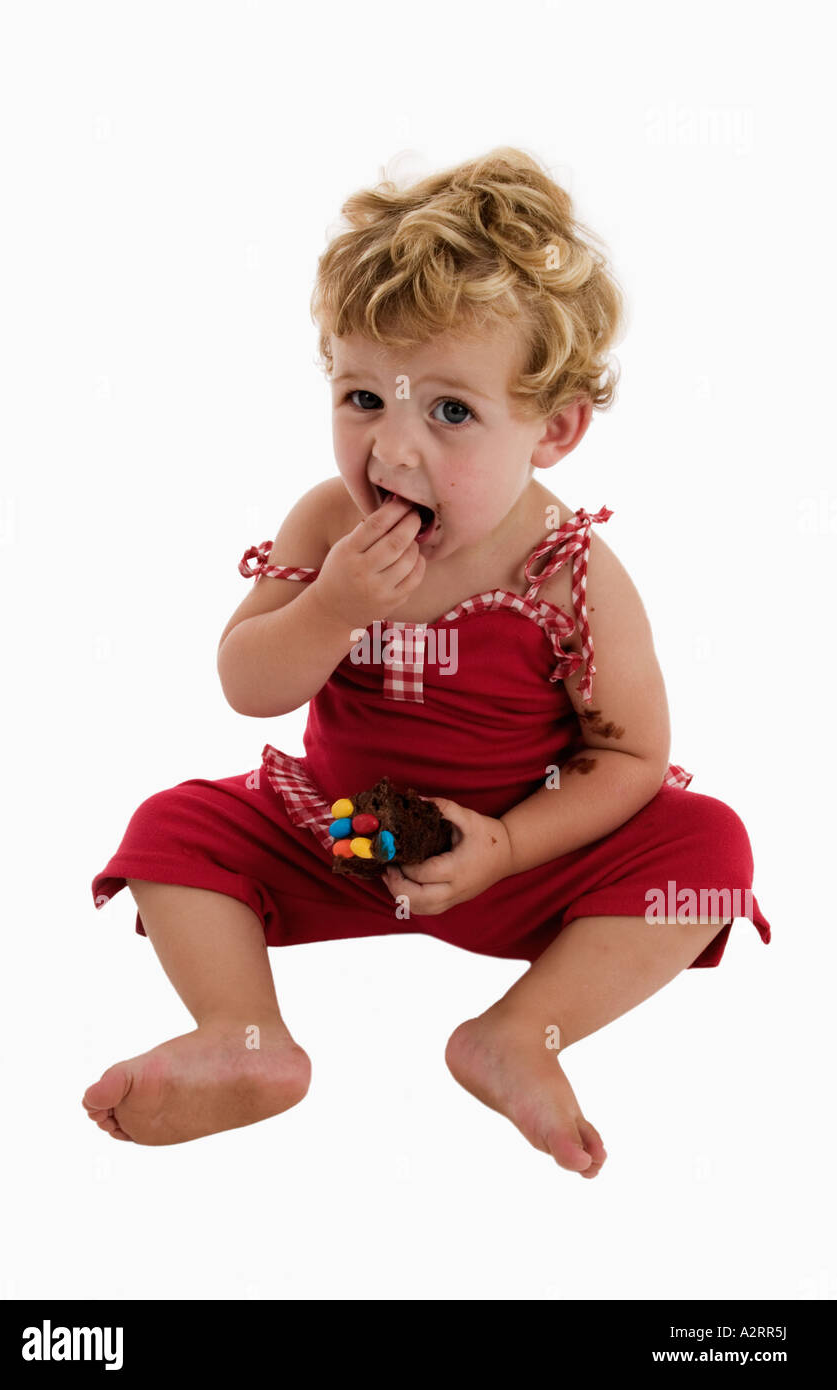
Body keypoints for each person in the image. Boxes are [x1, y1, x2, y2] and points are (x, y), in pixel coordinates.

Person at [85, 147, 771, 1175]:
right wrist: (331, 606)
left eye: (449, 411)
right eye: (363, 399)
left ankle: (516, 1036)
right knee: (170, 826)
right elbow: (248, 684)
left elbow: (629, 759)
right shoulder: (326, 524)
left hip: (513, 860)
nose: (392, 452)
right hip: (339, 832)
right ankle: (243, 1034)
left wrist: (503, 845)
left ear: (556, 429)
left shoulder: (568, 573)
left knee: (709, 854)